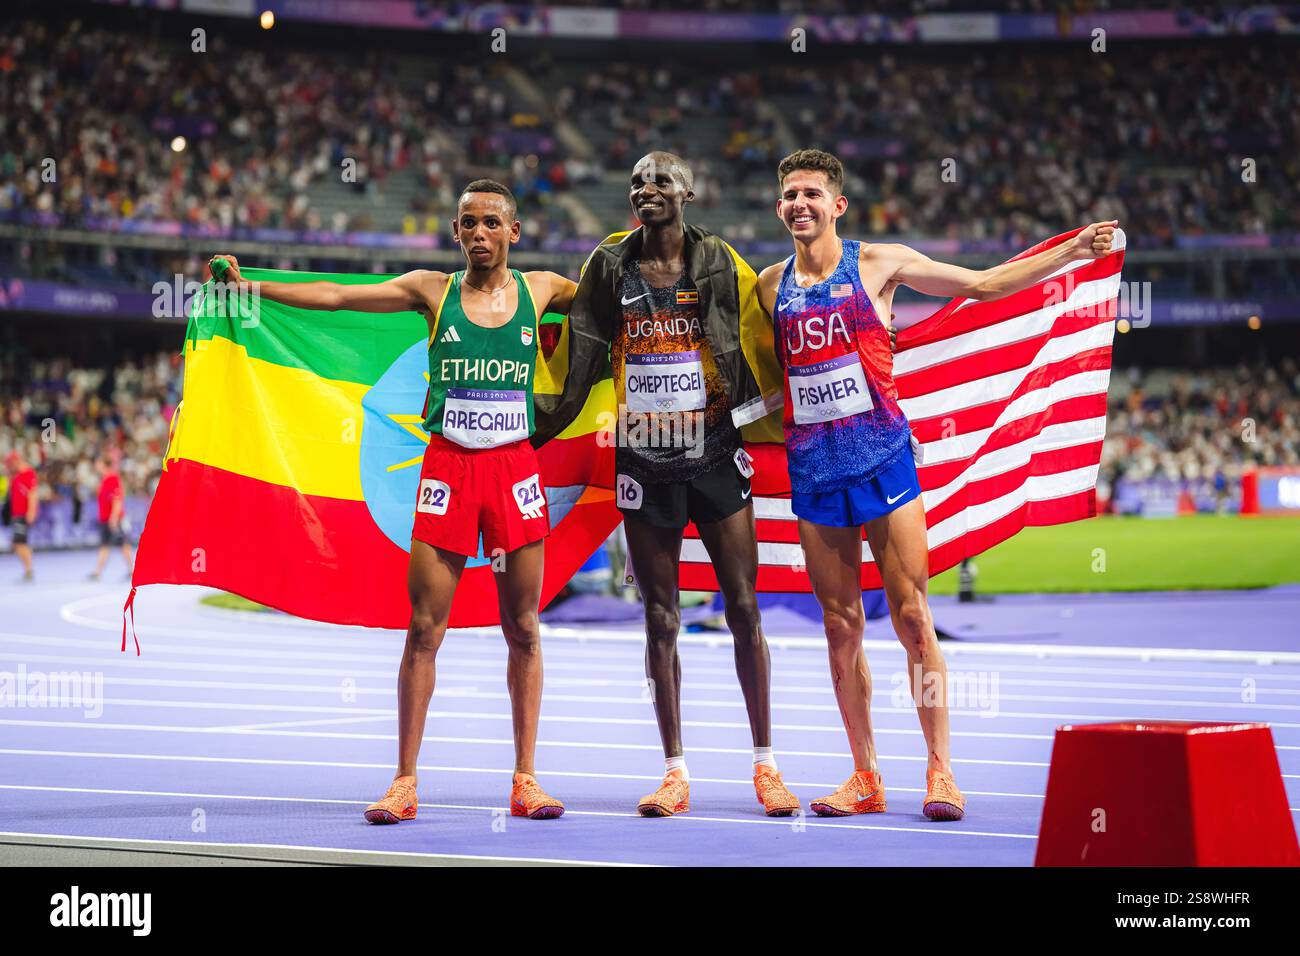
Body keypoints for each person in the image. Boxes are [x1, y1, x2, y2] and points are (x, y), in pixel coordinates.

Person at [757, 149, 1117, 820]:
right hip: (813, 472)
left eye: (811, 193)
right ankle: (865, 776)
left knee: (914, 617)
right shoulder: (768, 285)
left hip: (884, 461)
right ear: (780, 208)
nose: (798, 203)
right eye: (789, 195)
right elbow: (764, 376)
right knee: (840, 626)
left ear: (837, 205)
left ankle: (942, 771)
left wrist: (1070, 254)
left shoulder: (880, 263)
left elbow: (981, 286)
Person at [208, 179, 578, 823]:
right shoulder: (430, 291)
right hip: (449, 470)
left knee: (522, 626)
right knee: (424, 629)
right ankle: (404, 782)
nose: (480, 234)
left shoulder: (543, 290)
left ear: (513, 232)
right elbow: (337, 294)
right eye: (468, 224)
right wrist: (250, 288)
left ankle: (526, 779)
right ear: (457, 231)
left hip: (517, 469)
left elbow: (617, 305)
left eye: (492, 223)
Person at [533, 152, 799, 817]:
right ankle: (674, 771)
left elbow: (769, 325)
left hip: (714, 454)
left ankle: (766, 766)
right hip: (643, 463)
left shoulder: (718, 261)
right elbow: (580, 361)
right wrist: (527, 426)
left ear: (687, 191)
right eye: (635, 183)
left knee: (743, 605)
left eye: (659, 181)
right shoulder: (608, 265)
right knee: (659, 617)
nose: (645, 190)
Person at [90, 453, 133, 580]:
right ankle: (97, 572)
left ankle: (132, 570)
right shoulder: (104, 479)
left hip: (114, 519)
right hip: (106, 519)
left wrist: (114, 518)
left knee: (123, 544)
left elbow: (117, 500)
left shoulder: (112, 479)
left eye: (98, 463)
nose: (96, 465)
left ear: (104, 464)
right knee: (105, 545)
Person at [5, 450, 38, 582]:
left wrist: (31, 512)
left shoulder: (28, 474)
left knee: (20, 543)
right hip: (16, 513)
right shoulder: (16, 475)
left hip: (22, 514)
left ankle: (28, 570)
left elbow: (32, 494)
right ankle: (27, 569)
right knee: (18, 543)